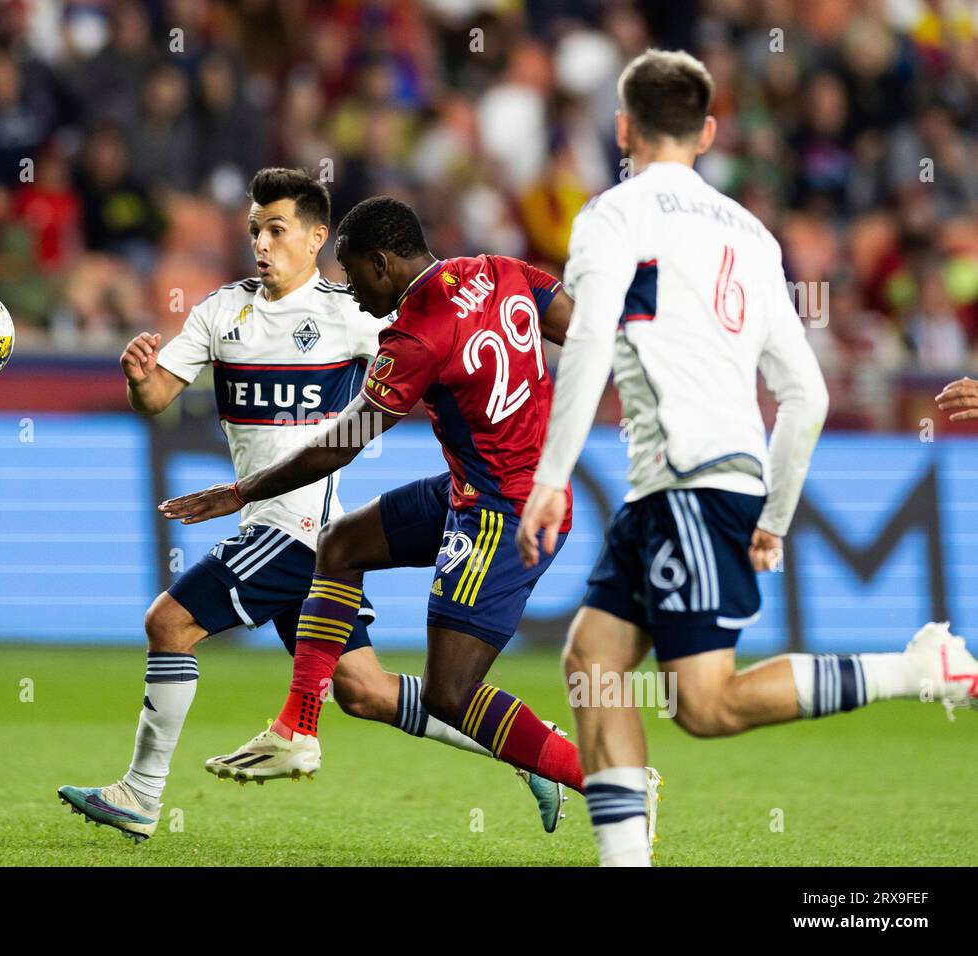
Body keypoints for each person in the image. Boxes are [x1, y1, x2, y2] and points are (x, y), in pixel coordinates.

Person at [516, 49, 978, 868]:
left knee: (705, 703)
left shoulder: (612, 215)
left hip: (689, 482)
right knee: (593, 658)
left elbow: (586, 337)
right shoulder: (755, 237)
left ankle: (919, 668)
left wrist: (551, 477)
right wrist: (773, 517)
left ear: (623, 127)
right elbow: (808, 395)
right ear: (708, 133)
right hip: (692, 487)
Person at [58, 169, 566, 843]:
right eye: (253, 232)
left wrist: (239, 490)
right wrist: (138, 378)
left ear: (317, 238)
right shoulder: (220, 313)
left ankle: (143, 794)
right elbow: (157, 400)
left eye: (277, 230)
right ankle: (539, 750)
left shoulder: (357, 311)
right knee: (365, 691)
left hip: (295, 527)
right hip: (299, 532)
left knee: (169, 623)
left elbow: (365, 418)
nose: (262, 245)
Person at [161, 195, 662, 827]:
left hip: (503, 514)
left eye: (352, 274)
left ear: (381, 263)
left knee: (451, 693)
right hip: (480, 488)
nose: (351, 291)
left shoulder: (417, 332)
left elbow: (341, 444)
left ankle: (615, 783)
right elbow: (587, 333)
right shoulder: (502, 270)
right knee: (341, 544)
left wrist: (241, 492)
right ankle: (297, 728)